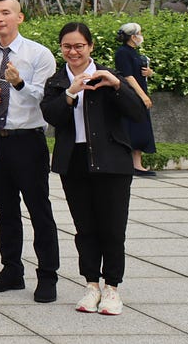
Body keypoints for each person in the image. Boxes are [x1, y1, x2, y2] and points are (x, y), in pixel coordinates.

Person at [42, 21, 148, 316]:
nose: (73, 52)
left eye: (79, 46)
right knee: (85, 228)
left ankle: (112, 287)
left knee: (112, 228)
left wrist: (116, 86)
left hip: (112, 161)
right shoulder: (57, 81)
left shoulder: (108, 76)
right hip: (73, 161)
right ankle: (91, 285)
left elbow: (137, 112)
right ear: (61, 48)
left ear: (90, 47)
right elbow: (51, 116)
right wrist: (70, 93)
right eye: (67, 46)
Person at [0, 0, 59, 302]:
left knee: (38, 210)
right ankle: (12, 270)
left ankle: (48, 275)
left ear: (19, 18)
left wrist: (20, 83)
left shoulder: (38, 55)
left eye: (5, 13)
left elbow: (46, 98)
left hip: (28, 140)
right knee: (5, 212)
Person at [114, 22, 157, 177]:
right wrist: (143, 96)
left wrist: (148, 73)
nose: (141, 36)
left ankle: (137, 163)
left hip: (139, 93)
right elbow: (128, 76)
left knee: (140, 128)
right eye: (139, 33)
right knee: (134, 128)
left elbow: (138, 72)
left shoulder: (134, 52)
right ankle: (133, 164)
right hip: (132, 95)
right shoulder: (123, 52)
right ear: (133, 36)